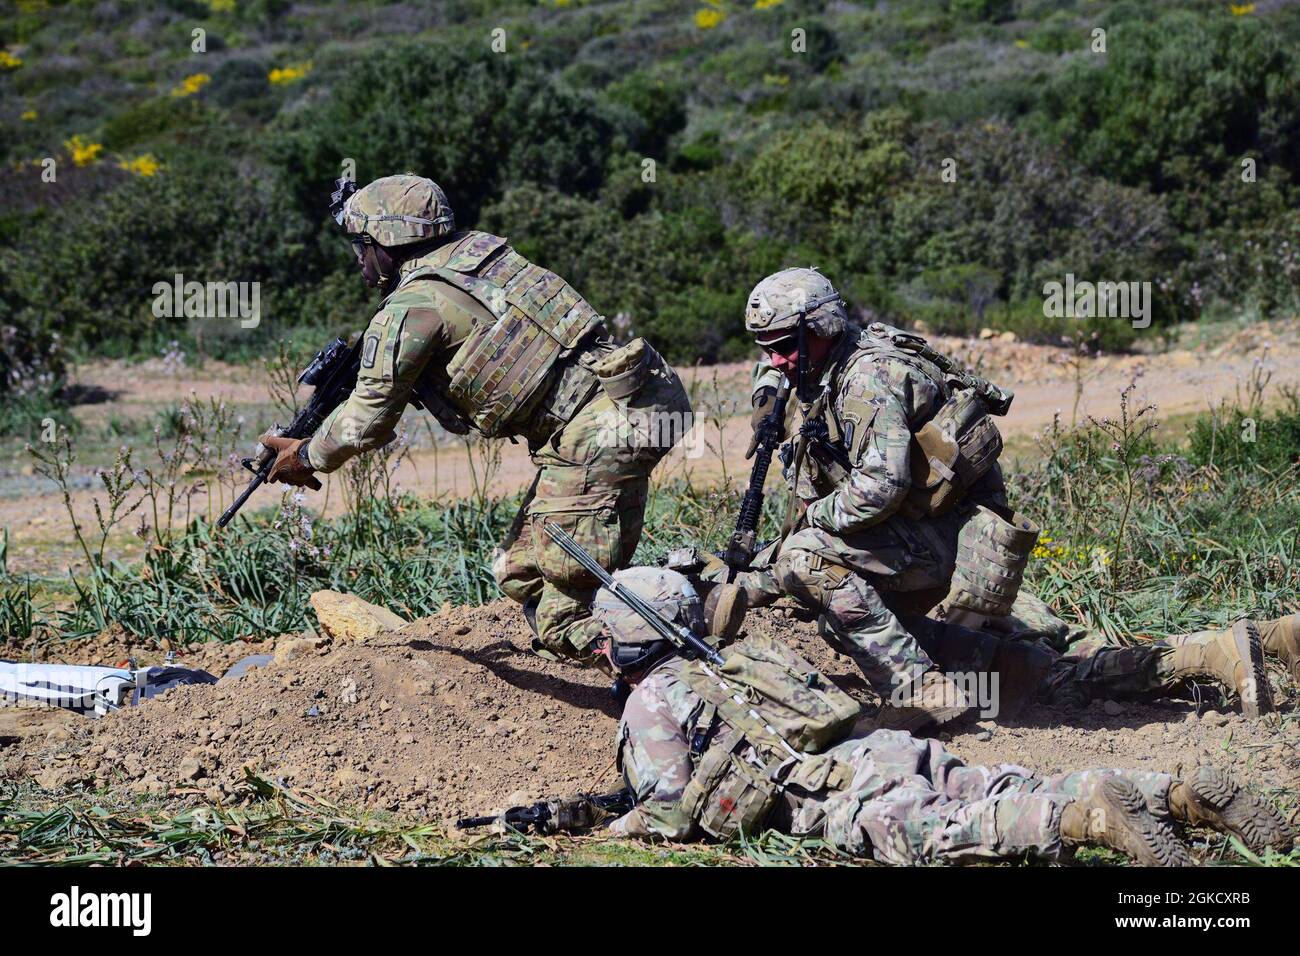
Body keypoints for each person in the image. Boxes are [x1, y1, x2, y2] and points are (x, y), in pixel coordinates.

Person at [717, 266, 1279, 722]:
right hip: (960, 549)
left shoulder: (867, 380)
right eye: (765, 349)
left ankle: (925, 691)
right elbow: (787, 383)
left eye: (783, 346)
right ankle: (1228, 649)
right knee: (1054, 658)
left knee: (810, 562)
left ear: (822, 326)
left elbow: (879, 488)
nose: (775, 361)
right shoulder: (832, 364)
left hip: (949, 557)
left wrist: (790, 543)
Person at [257, 173, 739, 665]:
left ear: (387, 242)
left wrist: (308, 457)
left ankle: (685, 648)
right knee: (520, 573)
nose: (359, 258)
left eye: (362, 245)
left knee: (561, 621)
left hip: (600, 434)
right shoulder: (479, 254)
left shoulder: (410, 309)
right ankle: (674, 601)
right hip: (637, 399)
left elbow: (369, 418)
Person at [590, 567, 1295, 866]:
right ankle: (1170, 794)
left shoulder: (653, 698)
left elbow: (671, 810)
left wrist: (615, 824)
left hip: (829, 796)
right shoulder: (745, 659)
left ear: (623, 639)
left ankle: (1087, 821)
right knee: (995, 785)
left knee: (948, 833)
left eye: (604, 636)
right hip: (882, 750)